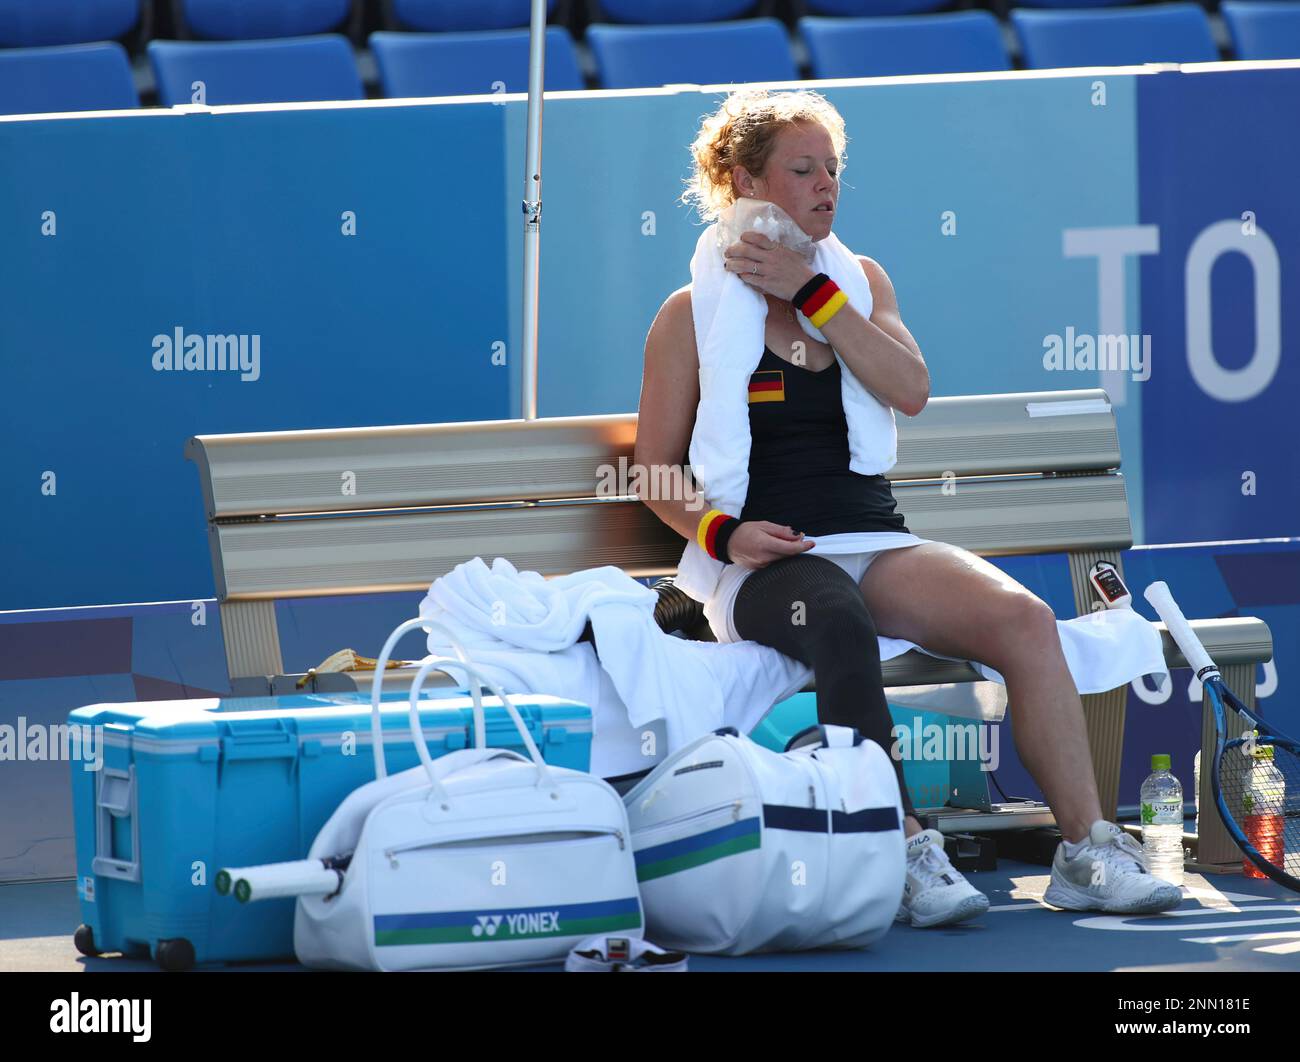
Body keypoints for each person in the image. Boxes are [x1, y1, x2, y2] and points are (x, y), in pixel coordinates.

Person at [633, 87, 1181, 928]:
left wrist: (812, 291)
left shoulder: (857, 283)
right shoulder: (686, 314)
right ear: (744, 179)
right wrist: (725, 534)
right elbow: (655, 473)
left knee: (1025, 620)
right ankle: (906, 845)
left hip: (874, 538)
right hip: (763, 566)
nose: (826, 186)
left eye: (834, 169)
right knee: (840, 618)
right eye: (802, 168)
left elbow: (910, 390)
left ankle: (1087, 850)